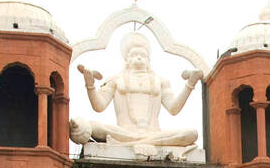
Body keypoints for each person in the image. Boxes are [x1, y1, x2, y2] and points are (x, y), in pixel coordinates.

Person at [69, 32, 202, 155]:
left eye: (143, 55)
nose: (139, 57)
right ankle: (140, 141)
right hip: (123, 132)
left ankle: (133, 143)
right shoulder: (115, 79)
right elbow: (99, 106)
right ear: (126, 59)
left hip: (154, 133)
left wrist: (190, 83)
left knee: (192, 134)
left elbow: (174, 108)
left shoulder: (161, 81)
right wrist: (90, 85)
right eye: (134, 55)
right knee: (93, 126)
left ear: (149, 60)